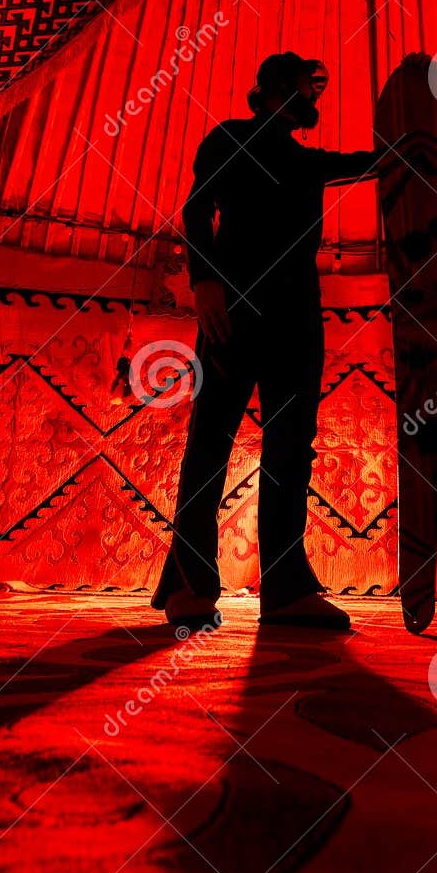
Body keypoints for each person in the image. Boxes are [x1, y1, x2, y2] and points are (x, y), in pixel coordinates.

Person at [152, 53, 380, 632]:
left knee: (291, 447)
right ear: (278, 90)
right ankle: (188, 584)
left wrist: (411, 151)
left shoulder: (305, 163)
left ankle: (285, 589)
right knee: (211, 439)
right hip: (234, 306)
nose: (315, 102)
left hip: (298, 315)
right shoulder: (229, 137)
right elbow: (198, 210)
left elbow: (363, 164)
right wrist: (203, 283)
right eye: (306, 90)